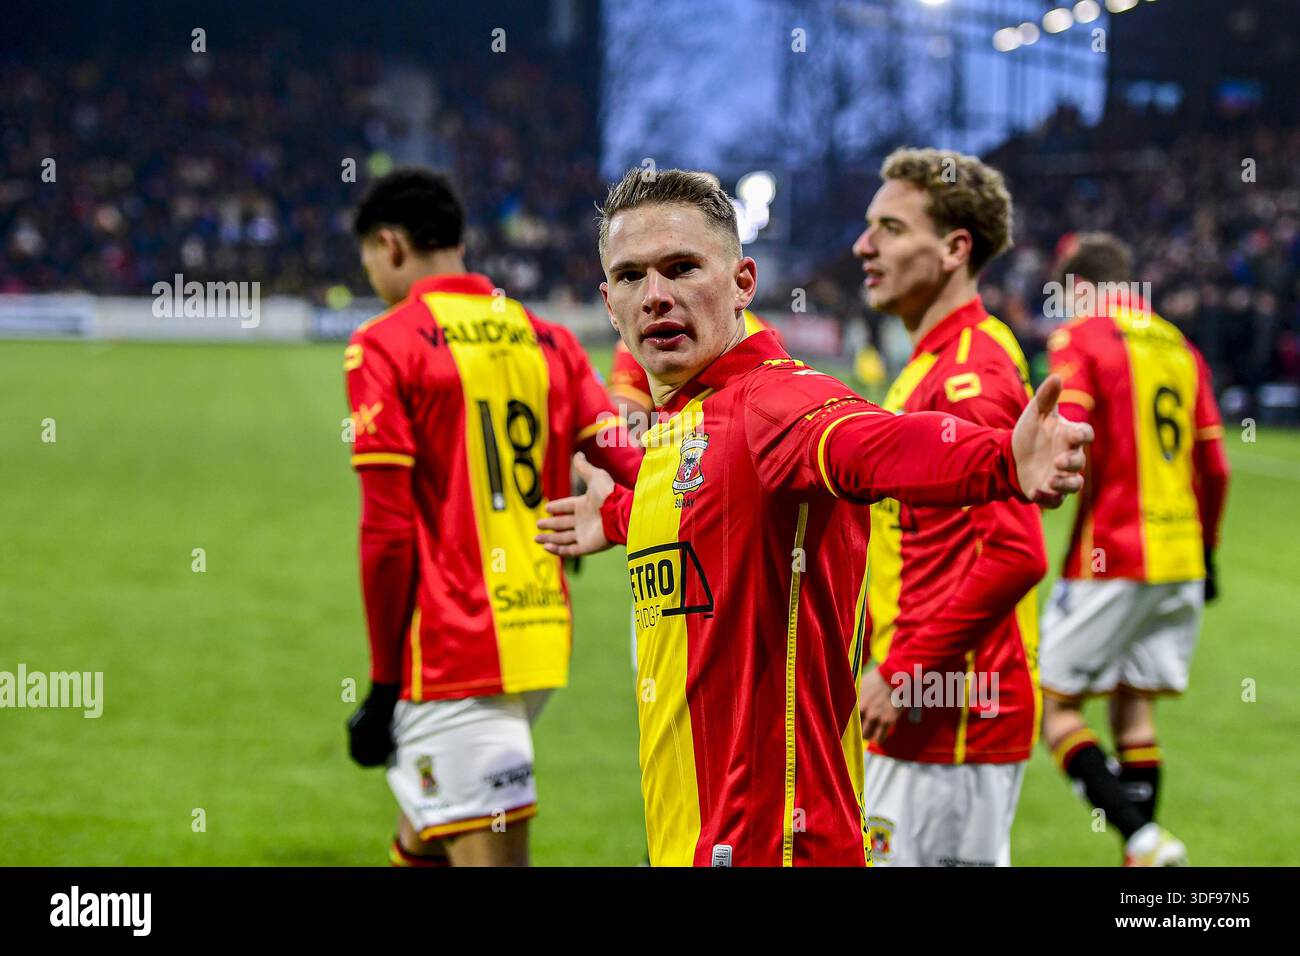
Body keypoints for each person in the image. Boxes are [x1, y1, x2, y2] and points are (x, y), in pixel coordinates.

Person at [535, 167, 1093, 867]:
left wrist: (1004, 461)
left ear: (743, 283)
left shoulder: (777, 403)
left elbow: (883, 445)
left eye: (682, 269)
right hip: (690, 836)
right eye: (630, 276)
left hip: (779, 844)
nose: (656, 297)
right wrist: (618, 518)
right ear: (608, 305)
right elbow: (709, 507)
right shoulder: (686, 423)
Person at [343, 168, 640, 866]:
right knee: (427, 828)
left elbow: (387, 534)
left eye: (367, 262)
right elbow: (629, 464)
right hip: (538, 630)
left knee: (479, 844)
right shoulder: (550, 340)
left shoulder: (385, 343)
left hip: (452, 648)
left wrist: (386, 682)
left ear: (390, 246)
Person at [853, 148, 1048, 867]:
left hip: (952, 719)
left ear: (954, 248)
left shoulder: (971, 376)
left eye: (891, 228)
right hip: (927, 715)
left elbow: (1017, 551)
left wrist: (905, 668)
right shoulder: (937, 363)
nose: (864, 245)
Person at [1039, 232, 1230, 866]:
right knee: (1135, 712)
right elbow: (1216, 467)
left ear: (1080, 287)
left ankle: (1143, 840)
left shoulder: (1083, 338)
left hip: (1114, 550)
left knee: (1056, 707)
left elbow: (1075, 433)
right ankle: (1142, 871)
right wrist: (1208, 554)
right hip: (1180, 556)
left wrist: (1056, 495)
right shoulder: (1180, 345)